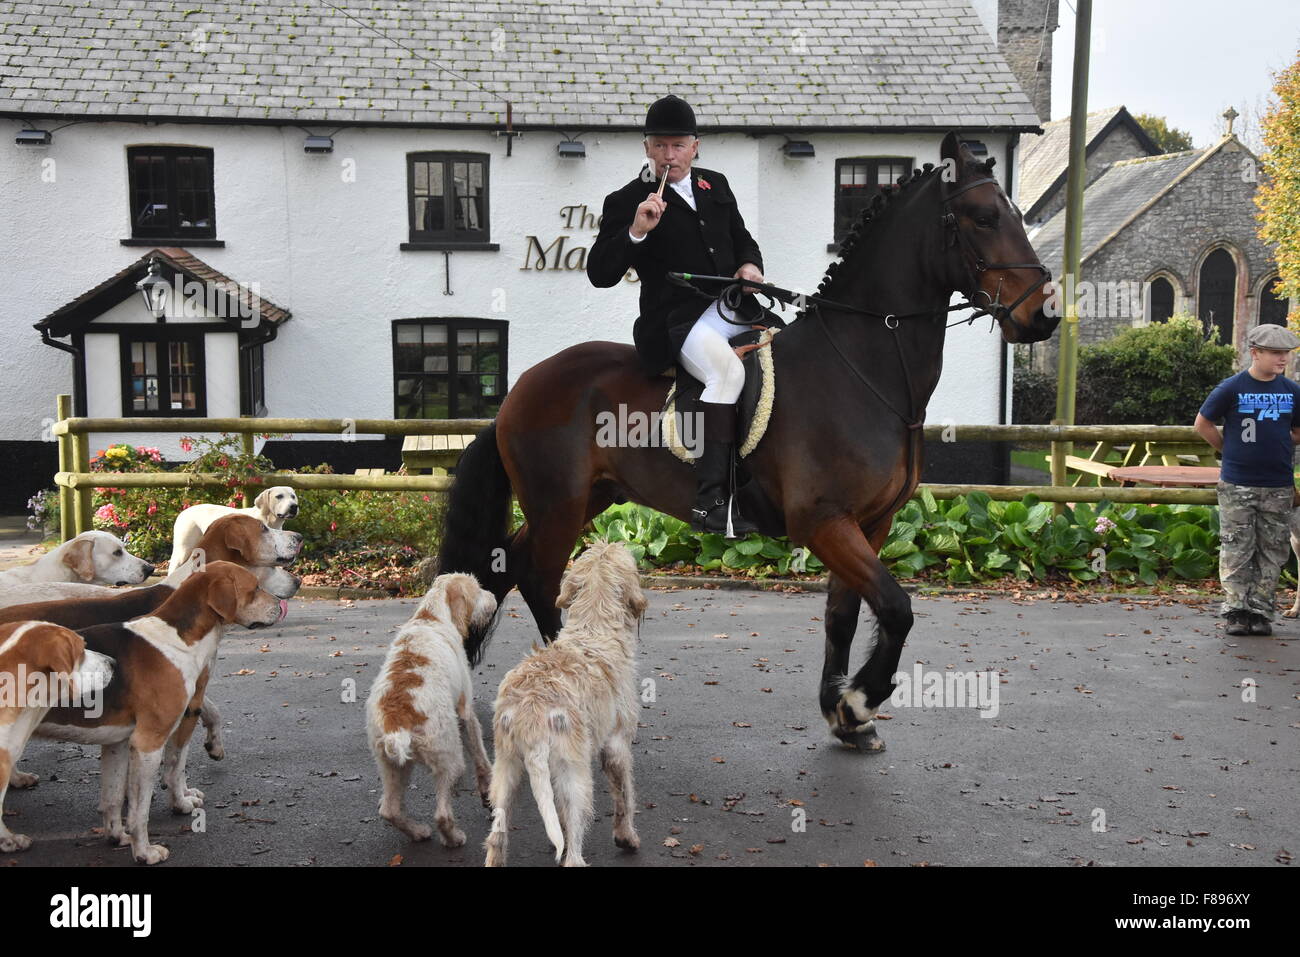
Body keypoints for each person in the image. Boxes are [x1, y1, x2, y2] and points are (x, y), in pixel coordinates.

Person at [586, 93, 764, 538]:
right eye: (661, 146)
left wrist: (750, 266)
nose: (671, 156)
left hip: (734, 309)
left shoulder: (715, 185)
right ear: (647, 147)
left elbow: (743, 239)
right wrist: (636, 231)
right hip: (677, 323)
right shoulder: (626, 199)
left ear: (695, 146)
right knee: (727, 375)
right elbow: (600, 273)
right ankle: (710, 501)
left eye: (679, 145)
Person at [1194, 323, 1300, 636]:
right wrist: (1229, 450)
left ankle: (1261, 612)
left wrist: (1279, 443)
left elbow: (1297, 430)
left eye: (1286, 354)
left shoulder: (1292, 391)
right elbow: (1203, 424)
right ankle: (1237, 612)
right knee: (1237, 548)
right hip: (1238, 483)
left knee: (1272, 550)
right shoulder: (1231, 387)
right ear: (1255, 353)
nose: (1283, 359)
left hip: (1278, 485)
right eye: (1276, 353)